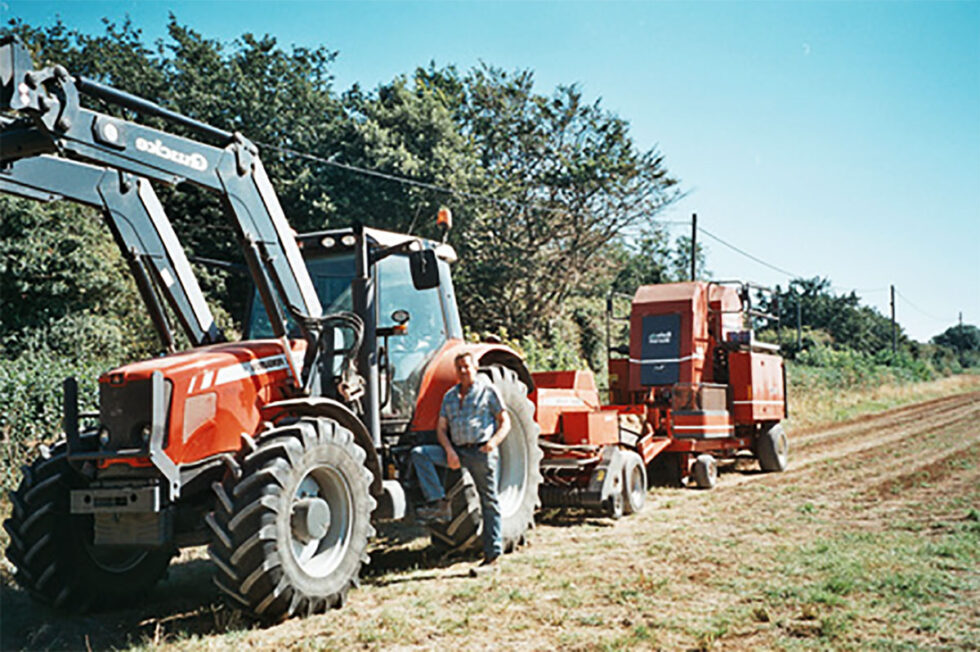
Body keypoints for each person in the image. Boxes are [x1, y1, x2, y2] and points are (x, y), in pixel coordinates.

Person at [411, 351, 510, 572]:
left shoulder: (487, 391)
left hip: (481, 452)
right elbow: (441, 428)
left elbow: (505, 421)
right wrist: (449, 451)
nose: (464, 371)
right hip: (457, 451)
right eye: (460, 368)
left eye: (467, 366)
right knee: (420, 453)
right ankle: (438, 503)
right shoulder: (450, 396)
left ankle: (492, 557)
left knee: (488, 501)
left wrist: (493, 442)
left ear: (475, 367)